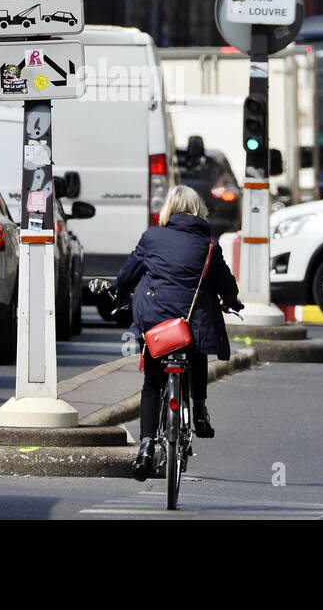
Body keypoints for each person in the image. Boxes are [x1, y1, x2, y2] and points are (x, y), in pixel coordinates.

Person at [114, 184, 243, 481]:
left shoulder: (151, 237)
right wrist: (232, 300)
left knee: (151, 383)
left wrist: (120, 295)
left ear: (168, 210)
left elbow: (127, 274)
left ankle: (146, 445)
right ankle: (199, 409)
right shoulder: (208, 244)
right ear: (199, 211)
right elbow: (225, 283)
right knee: (194, 347)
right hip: (192, 320)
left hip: (156, 322)